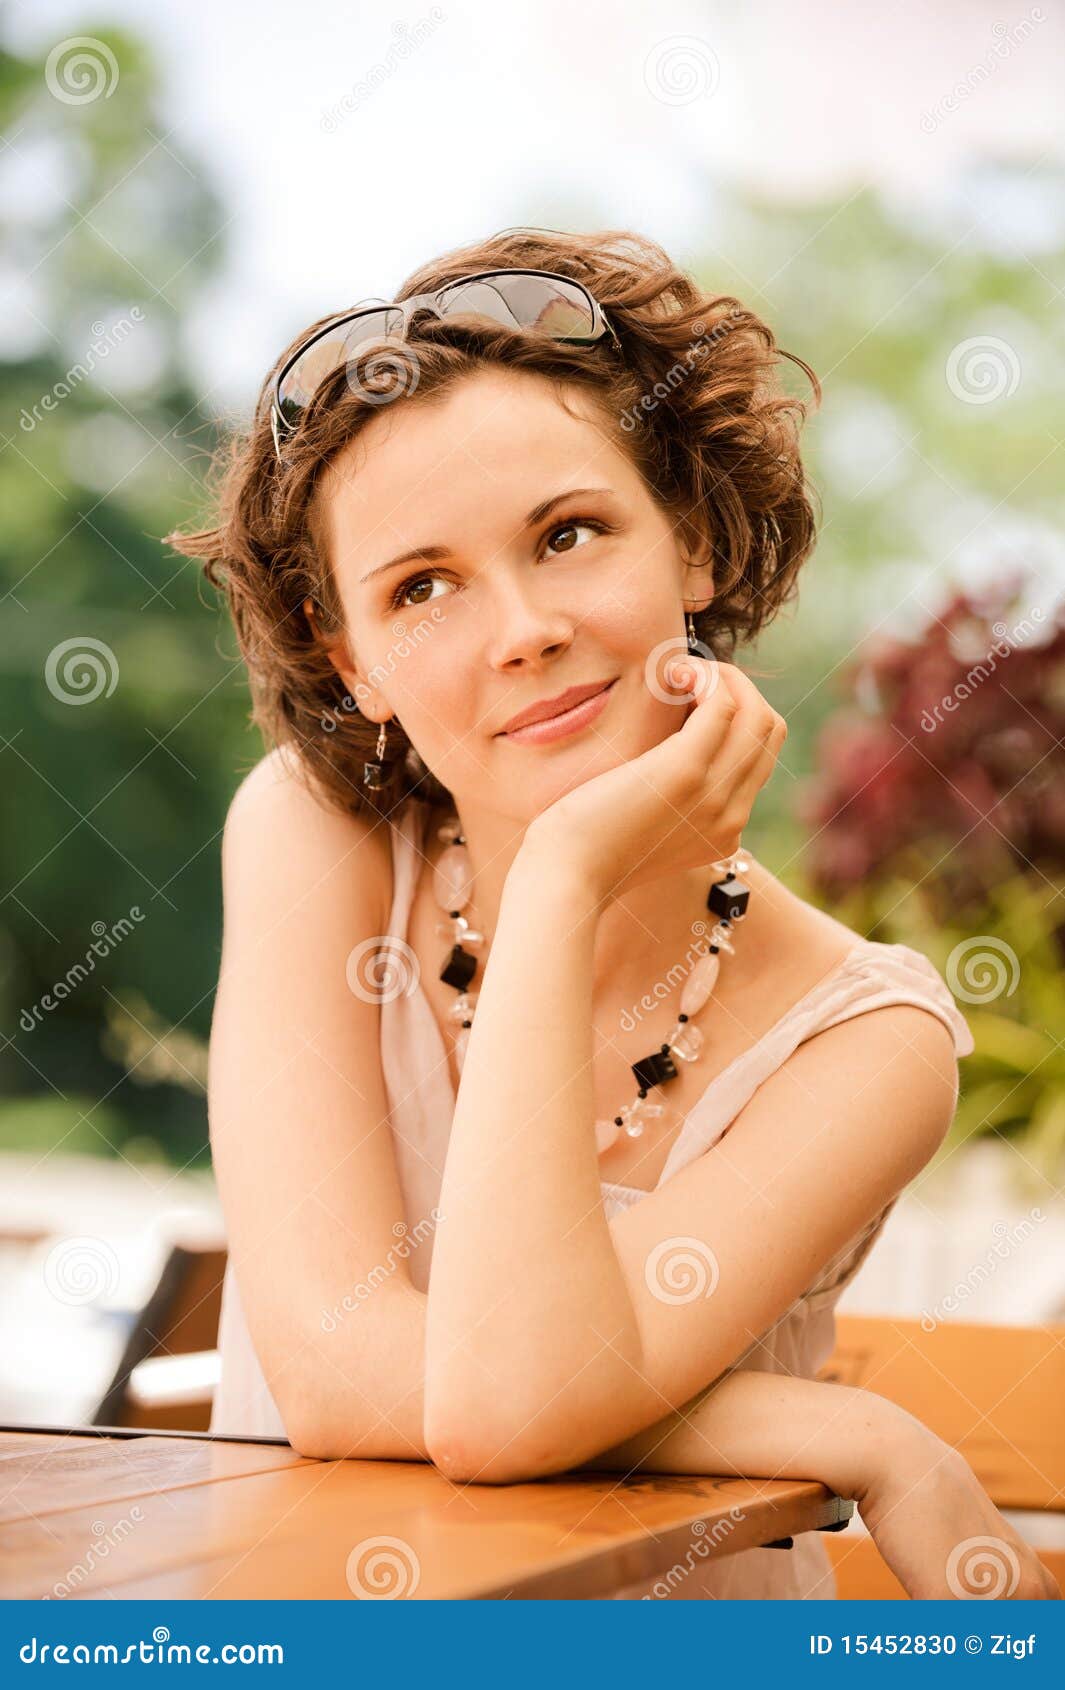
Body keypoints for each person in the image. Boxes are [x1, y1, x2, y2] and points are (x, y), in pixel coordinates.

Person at [165, 226, 1058, 1601]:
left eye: (566, 533)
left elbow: (508, 1399)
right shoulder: (313, 836)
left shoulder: (870, 1039)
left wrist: (566, 877)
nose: (519, 626)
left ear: (691, 544)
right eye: (421, 587)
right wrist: (848, 1430)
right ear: (354, 662)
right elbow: (340, 1375)